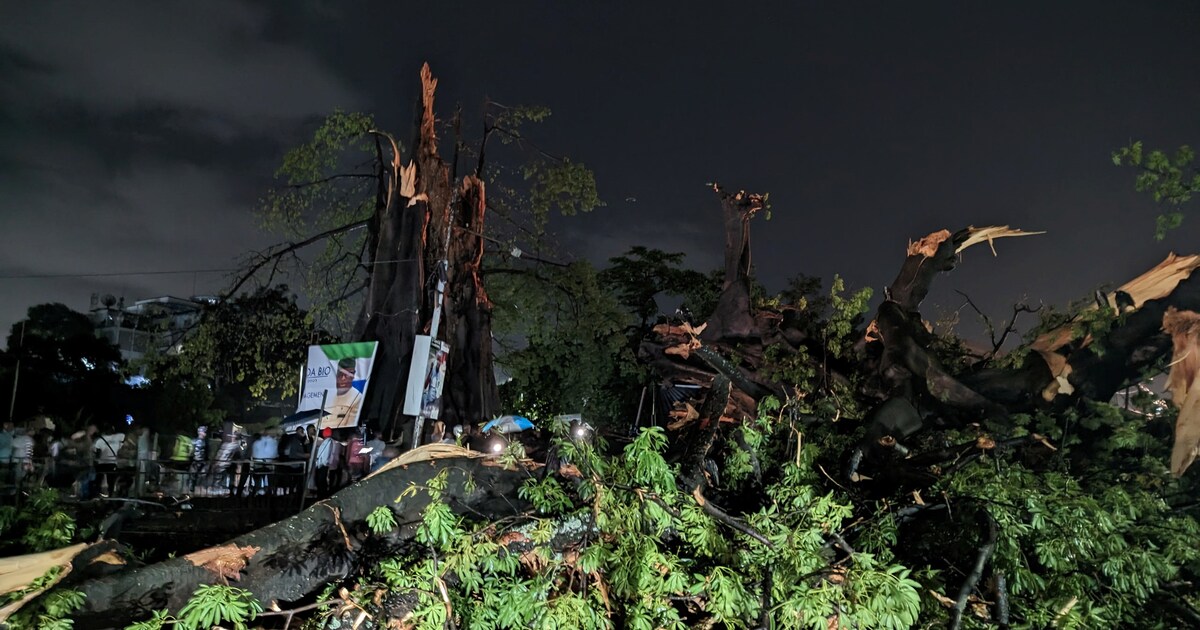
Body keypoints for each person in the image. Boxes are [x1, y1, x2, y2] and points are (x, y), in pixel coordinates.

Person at [327, 358, 363, 429]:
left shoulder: (357, 398)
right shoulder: (327, 395)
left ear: (353, 375)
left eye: (347, 374)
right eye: (340, 373)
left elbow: (350, 427)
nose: (343, 378)